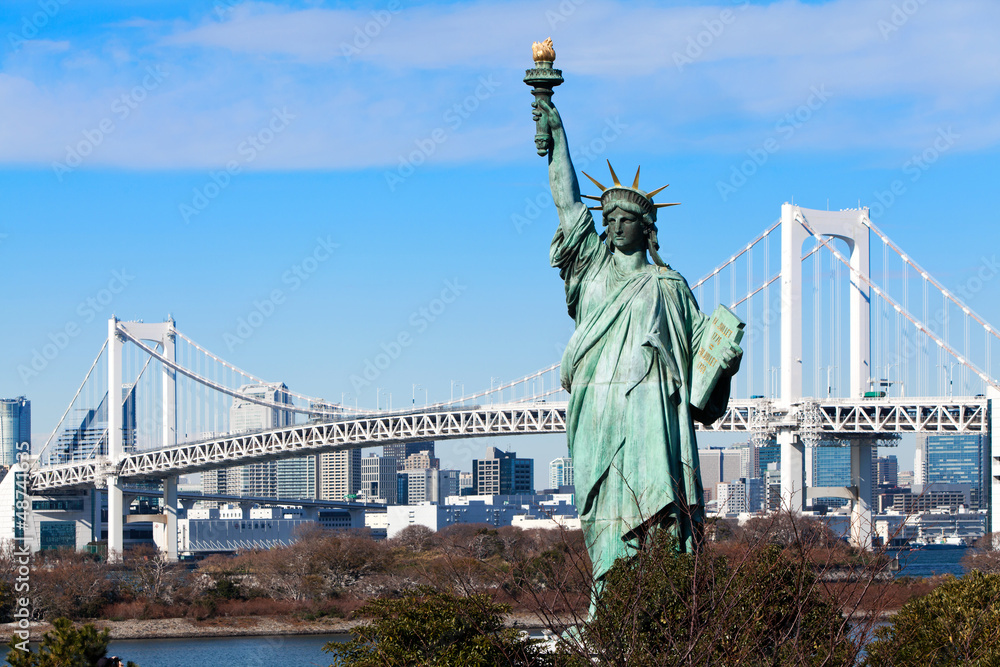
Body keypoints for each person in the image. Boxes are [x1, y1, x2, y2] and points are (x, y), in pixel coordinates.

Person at [532, 99, 742, 609]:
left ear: (646, 227)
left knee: (659, 512)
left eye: (624, 218)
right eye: (609, 218)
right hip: (598, 411)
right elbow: (567, 203)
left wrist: (725, 366)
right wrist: (556, 133)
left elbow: (699, 374)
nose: (614, 225)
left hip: (654, 414)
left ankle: (663, 605)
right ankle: (607, 601)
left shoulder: (671, 285)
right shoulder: (592, 269)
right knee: (604, 511)